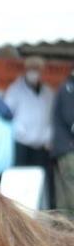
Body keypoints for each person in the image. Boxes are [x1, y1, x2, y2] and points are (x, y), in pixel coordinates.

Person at [4, 55, 55, 171]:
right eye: (32, 68)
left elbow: (51, 117)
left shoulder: (48, 92)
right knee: (21, 174)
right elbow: (8, 113)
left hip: (42, 144)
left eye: (37, 68)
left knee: (40, 176)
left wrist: (49, 135)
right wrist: (19, 129)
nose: (34, 72)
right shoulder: (15, 89)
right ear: (26, 69)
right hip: (22, 142)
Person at [52, 72, 74, 216]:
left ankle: (64, 226)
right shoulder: (69, 89)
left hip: (64, 149)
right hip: (68, 150)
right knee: (70, 190)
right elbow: (71, 120)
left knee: (64, 195)